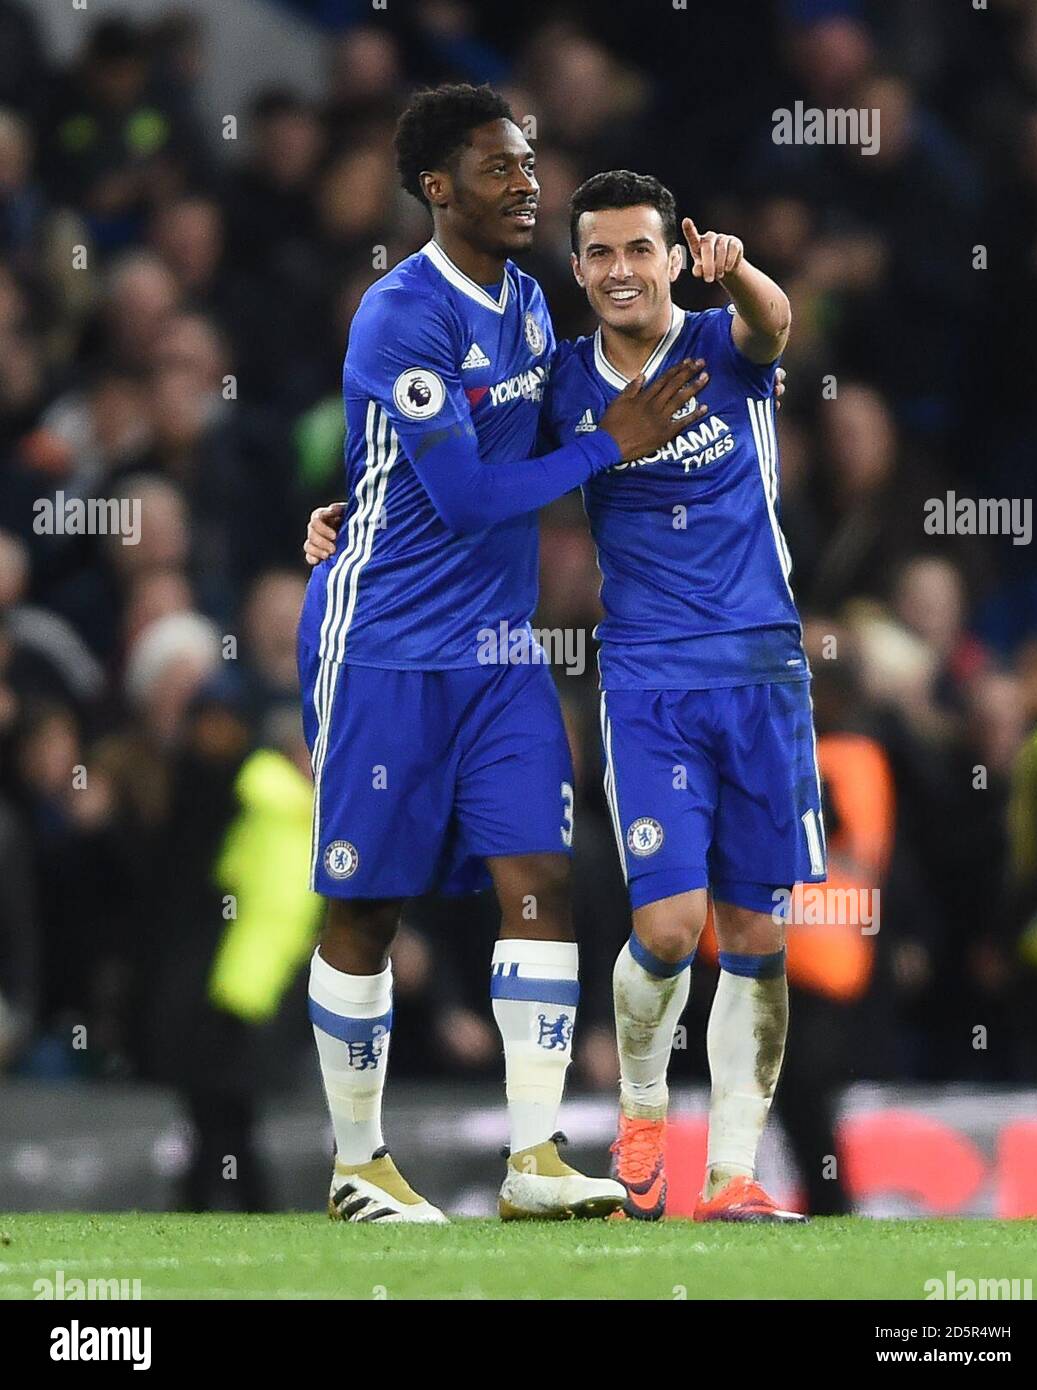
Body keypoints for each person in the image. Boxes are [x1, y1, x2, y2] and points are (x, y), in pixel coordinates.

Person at [308, 169, 820, 1223]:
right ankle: (638, 1120)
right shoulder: (562, 384)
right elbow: (473, 460)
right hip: (642, 674)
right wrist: (354, 512)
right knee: (672, 927)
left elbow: (776, 325)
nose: (620, 270)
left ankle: (730, 1175)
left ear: (676, 255)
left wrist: (746, 272)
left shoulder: (720, 341)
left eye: (640, 249)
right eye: (598, 253)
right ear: (578, 267)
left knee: (757, 933)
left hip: (761, 664)